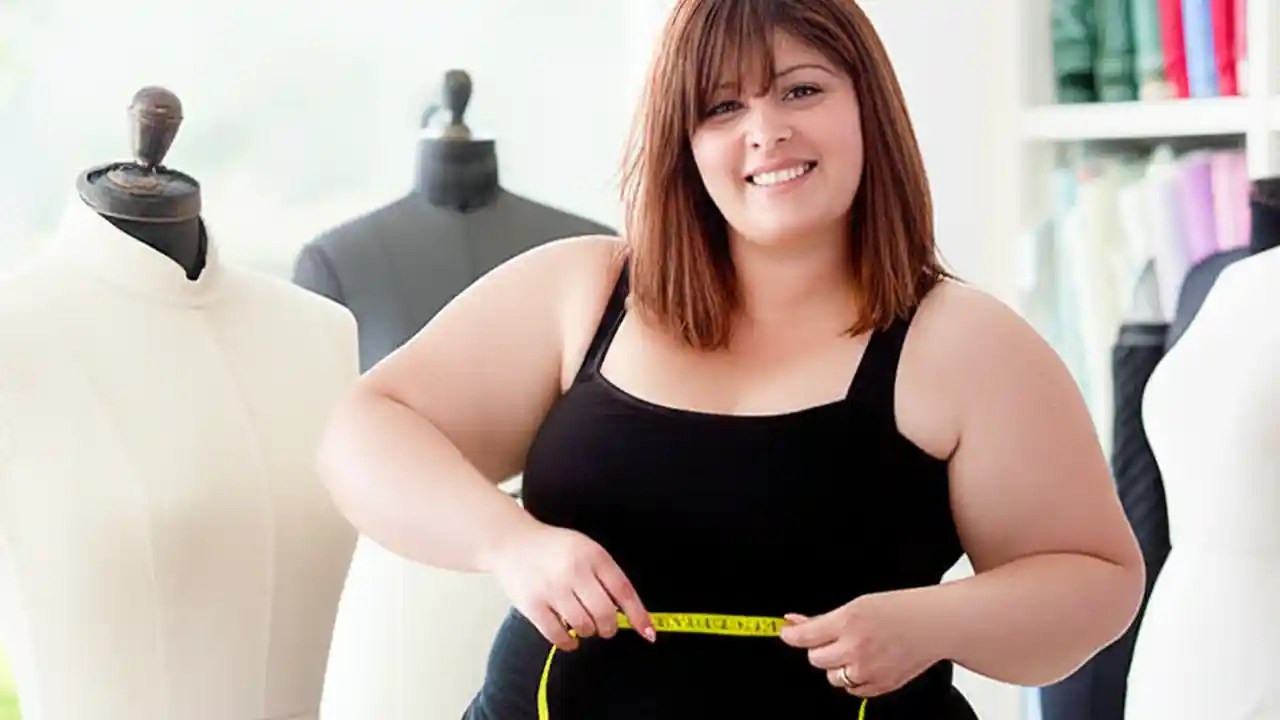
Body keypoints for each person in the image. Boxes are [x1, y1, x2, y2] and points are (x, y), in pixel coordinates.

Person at [315, 0, 1146, 717]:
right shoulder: (581, 292)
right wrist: (511, 544)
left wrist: (933, 623)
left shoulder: (966, 344)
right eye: (721, 107)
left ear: (870, 106)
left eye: (802, 90)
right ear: (683, 142)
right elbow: (364, 431)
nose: (766, 131)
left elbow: (1097, 578)